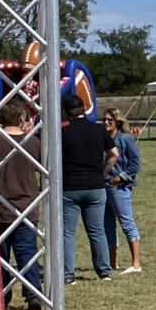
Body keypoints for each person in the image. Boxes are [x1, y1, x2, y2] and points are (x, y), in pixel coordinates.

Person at [59, 94, 115, 284]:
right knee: (97, 230)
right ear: (84, 109)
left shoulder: (63, 133)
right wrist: (103, 171)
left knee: (68, 232)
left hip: (70, 187)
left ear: (66, 113)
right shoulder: (99, 130)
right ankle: (104, 271)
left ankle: (68, 275)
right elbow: (114, 154)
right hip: (95, 186)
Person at [0, 98, 44, 310]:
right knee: (27, 253)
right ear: (22, 118)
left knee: (0, 257)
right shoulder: (33, 143)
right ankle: (33, 294)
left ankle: (2, 296)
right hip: (27, 206)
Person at [102, 107, 145, 275]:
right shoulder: (103, 139)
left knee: (127, 223)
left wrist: (120, 178)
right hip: (103, 186)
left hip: (119, 187)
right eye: (104, 119)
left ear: (117, 122)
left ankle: (136, 264)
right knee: (107, 226)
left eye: (109, 120)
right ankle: (112, 263)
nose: (105, 122)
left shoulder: (125, 139)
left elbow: (136, 163)